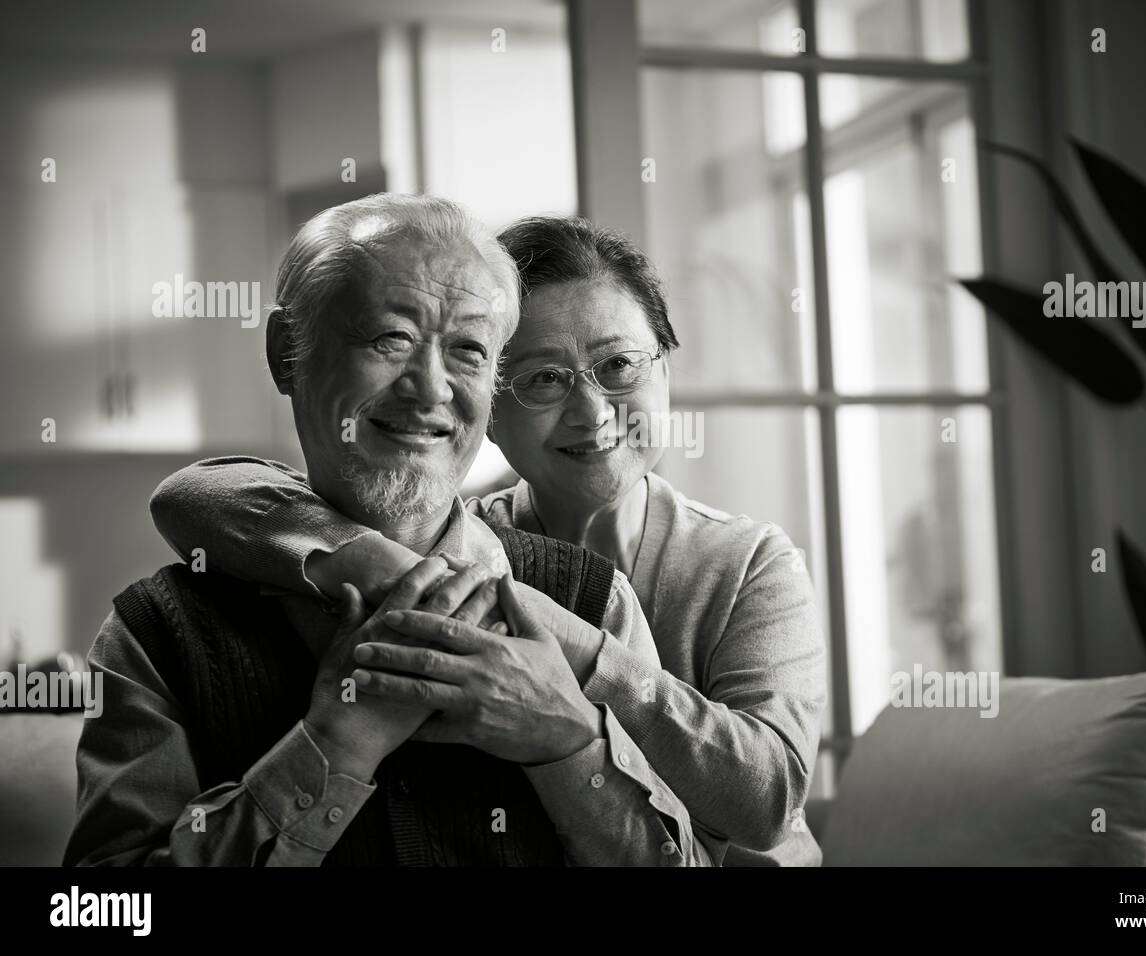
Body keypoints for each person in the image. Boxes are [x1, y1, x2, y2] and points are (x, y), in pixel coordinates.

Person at [151, 215, 826, 865]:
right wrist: (384, 566)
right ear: (491, 407)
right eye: (541, 379)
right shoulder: (451, 549)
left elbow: (768, 804)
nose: (592, 412)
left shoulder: (745, 562)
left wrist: (575, 651)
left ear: (665, 372)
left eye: (619, 365)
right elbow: (194, 495)